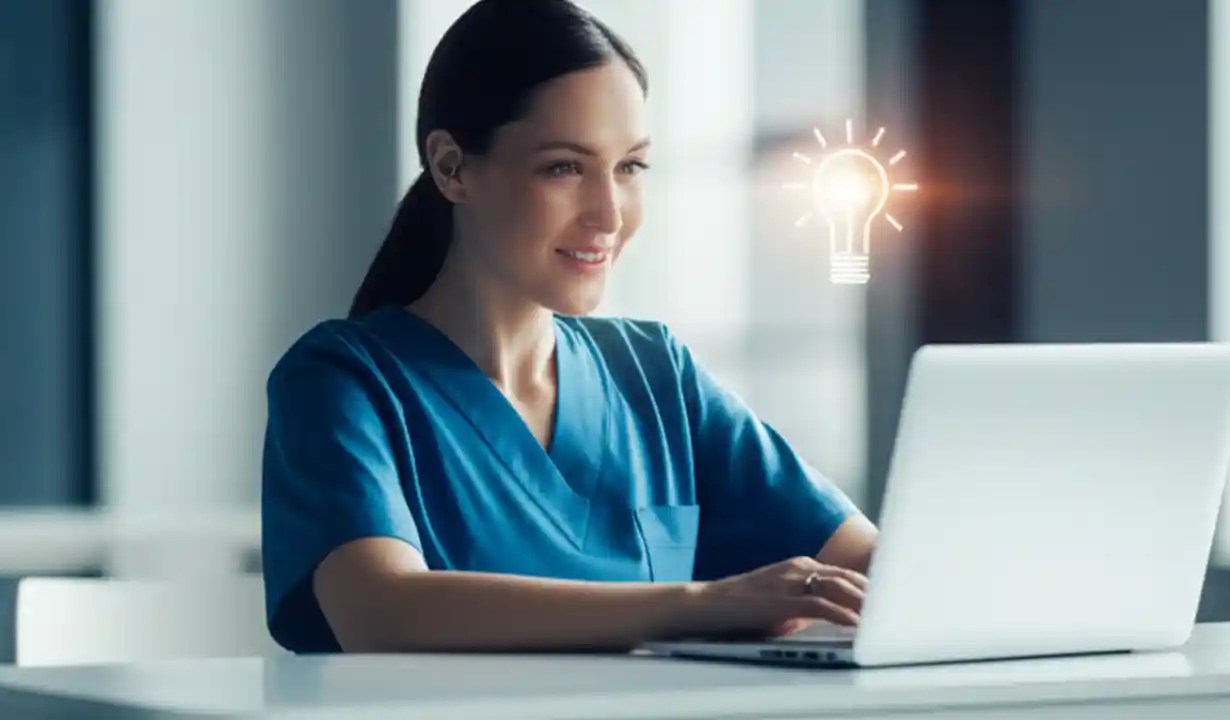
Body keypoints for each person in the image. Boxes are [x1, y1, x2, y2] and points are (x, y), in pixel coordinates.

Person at [261, 0, 878, 654]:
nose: (609, 215)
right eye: (564, 167)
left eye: (630, 167)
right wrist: (703, 603)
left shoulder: (656, 375)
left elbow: (866, 560)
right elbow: (382, 612)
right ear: (451, 167)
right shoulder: (341, 382)